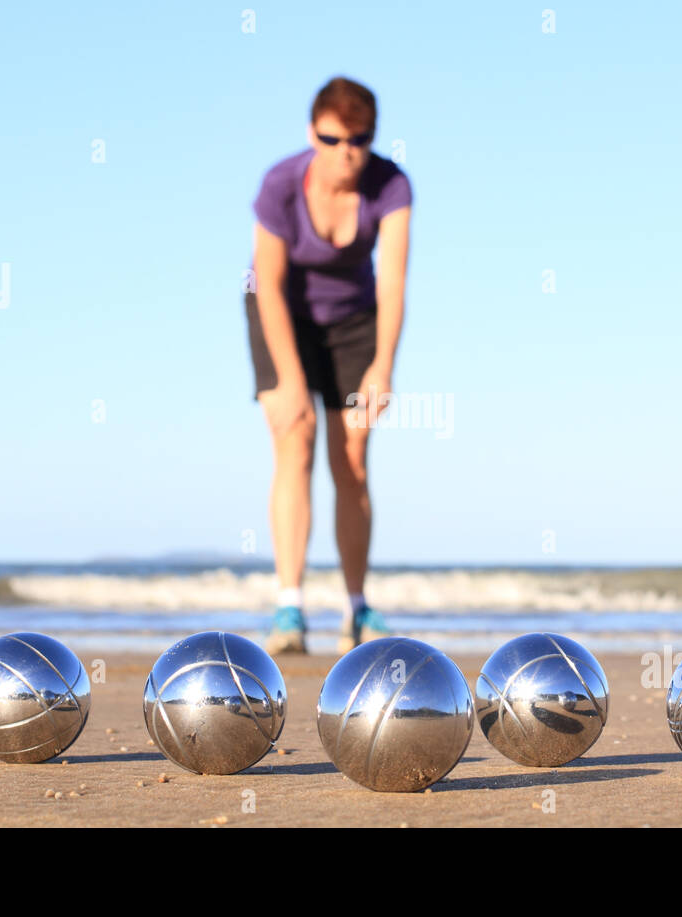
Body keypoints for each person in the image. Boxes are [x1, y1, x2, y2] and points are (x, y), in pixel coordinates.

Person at [245, 76, 412, 655]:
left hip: (354, 322)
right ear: (312, 133)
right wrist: (290, 379)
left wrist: (382, 367)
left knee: (352, 458)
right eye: (333, 138)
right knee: (296, 436)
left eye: (360, 140)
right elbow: (266, 282)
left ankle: (358, 608)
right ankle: (289, 608)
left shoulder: (390, 184)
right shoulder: (281, 184)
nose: (347, 152)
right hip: (280, 312)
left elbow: (392, 282)